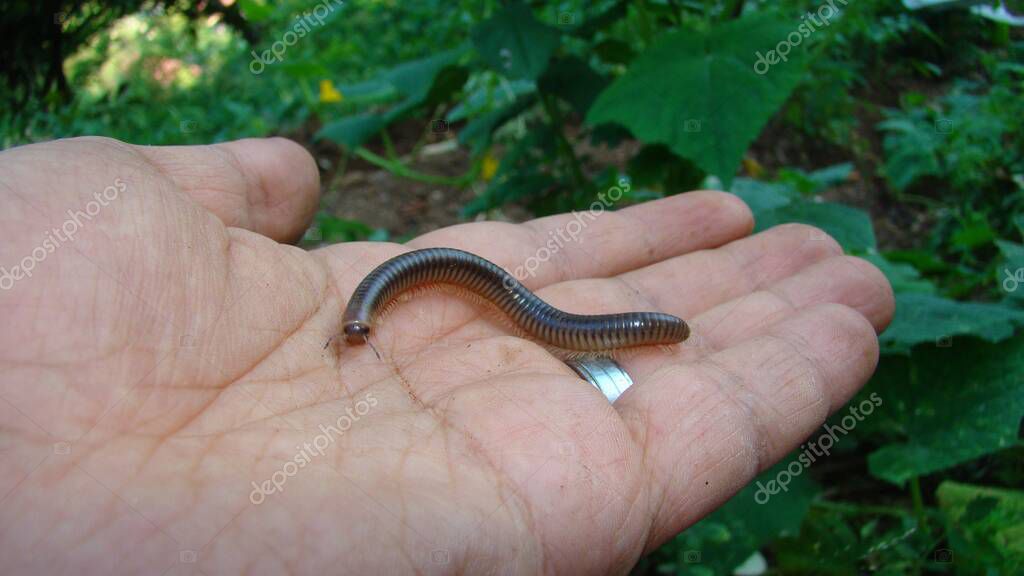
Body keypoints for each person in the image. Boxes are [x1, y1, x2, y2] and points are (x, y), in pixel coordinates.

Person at [0, 136, 894, 574]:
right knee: (462, 282)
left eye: (363, 322)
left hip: (490, 295)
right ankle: (365, 310)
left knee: (499, 294)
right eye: (363, 323)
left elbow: (514, 302)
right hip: (438, 288)